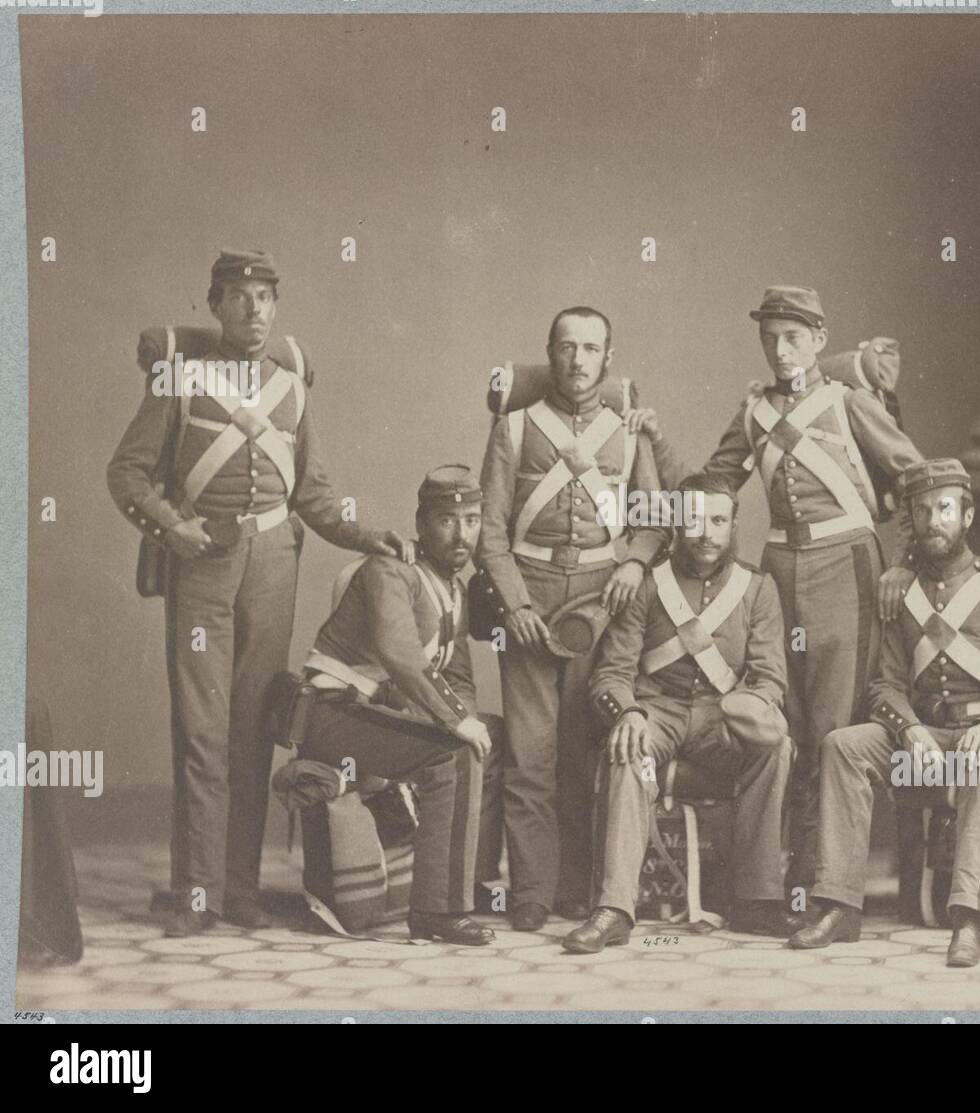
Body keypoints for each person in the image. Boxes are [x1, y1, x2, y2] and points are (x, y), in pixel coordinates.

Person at [107, 249, 409, 937]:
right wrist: (172, 526)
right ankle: (196, 893)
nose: (255, 309)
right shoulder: (179, 383)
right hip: (203, 564)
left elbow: (315, 497)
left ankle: (238, 889)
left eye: (267, 296)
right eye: (240, 296)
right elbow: (126, 475)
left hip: (274, 562)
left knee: (252, 730)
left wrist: (367, 535)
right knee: (201, 732)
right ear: (214, 305)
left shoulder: (294, 391)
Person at [626, 286, 924, 897]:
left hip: (847, 564)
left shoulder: (849, 403)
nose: (780, 351)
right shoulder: (754, 412)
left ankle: (825, 882)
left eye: (793, 338)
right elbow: (712, 488)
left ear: (818, 339)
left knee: (835, 723)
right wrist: (653, 442)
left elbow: (921, 478)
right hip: (779, 568)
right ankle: (779, 874)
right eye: (770, 340)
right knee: (780, 719)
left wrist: (906, 562)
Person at [791, 459, 980, 964]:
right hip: (927, 735)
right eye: (924, 510)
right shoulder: (901, 594)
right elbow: (886, 683)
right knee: (842, 746)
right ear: (912, 517)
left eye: (946, 509)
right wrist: (909, 729)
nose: (935, 520)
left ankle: (969, 919)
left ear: (968, 516)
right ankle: (839, 905)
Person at [476, 307, 670, 931]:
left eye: (591, 349)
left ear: (608, 359)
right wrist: (516, 604)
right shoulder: (512, 430)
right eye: (566, 347)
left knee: (586, 749)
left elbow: (650, 519)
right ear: (550, 353)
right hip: (530, 597)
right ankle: (531, 891)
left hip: (601, 600)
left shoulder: (630, 432)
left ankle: (579, 889)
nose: (578, 360)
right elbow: (489, 532)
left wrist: (635, 564)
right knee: (530, 755)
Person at [565, 473, 791, 953]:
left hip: (720, 720)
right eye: (695, 520)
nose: (706, 532)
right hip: (657, 711)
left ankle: (757, 897)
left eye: (718, 520)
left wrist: (751, 707)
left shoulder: (757, 588)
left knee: (777, 747)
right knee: (629, 750)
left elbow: (771, 676)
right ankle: (615, 908)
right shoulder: (649, 584)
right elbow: (612, 673)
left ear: (733, 525)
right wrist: (627, 713)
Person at [296, 465, 497, 944]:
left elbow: (459, 677)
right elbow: (398, 652)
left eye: (471, 520)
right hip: (330, 712)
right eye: (447, 520)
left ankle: (460, 884)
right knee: (454, 754)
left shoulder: (454, 588)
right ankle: (436, 913)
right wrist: (455, 722)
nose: (461, 534)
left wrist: (464, 718)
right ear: (422, 522)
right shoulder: (390, 569)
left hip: (373, 712)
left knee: (494, 739)